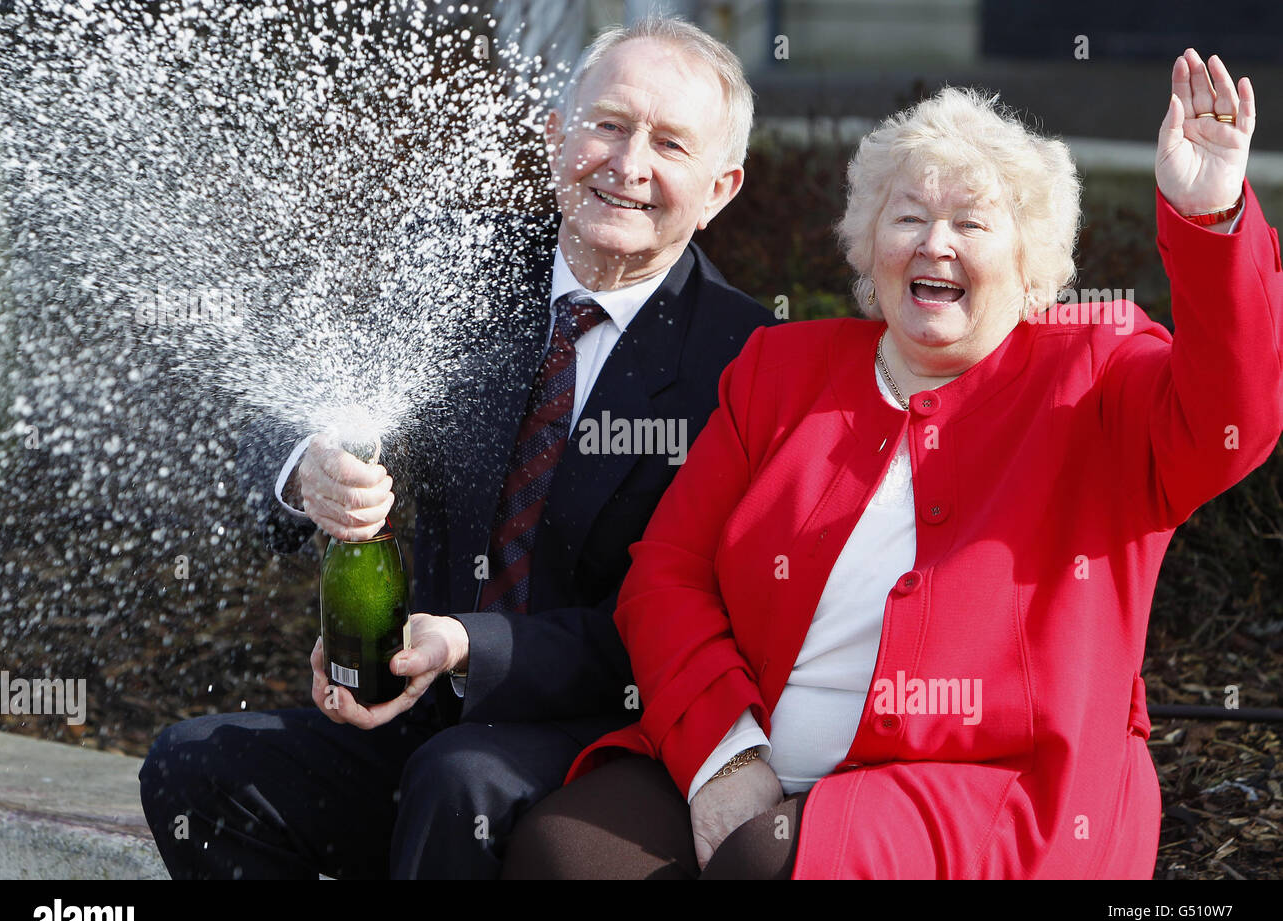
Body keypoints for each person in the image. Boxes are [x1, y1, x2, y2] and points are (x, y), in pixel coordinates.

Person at [501, 49, 1283, 879]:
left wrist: (1209, 220)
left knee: (766, 863)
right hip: (751, 749)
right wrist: (725, 756)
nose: (934, 245)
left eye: (973, 225)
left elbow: (1232, 419)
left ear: (1031, 268)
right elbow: (668, 575)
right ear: (870, 240)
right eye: (908, 216)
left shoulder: (1096, 377)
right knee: (563, 850)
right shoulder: (783, 370)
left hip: (984, 787)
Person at [138, 16, 773, 878]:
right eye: (609, 125)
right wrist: (307, 469)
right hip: (410, 701)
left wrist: (474, 644)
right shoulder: (457, 262)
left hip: (601, 733)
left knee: (455, 780)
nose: (628, 165)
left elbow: (685, 627)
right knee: (196, 766)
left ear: (720, 187)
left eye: (669, 143)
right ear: (557, 136)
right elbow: (279, 420)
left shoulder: (745, 361)